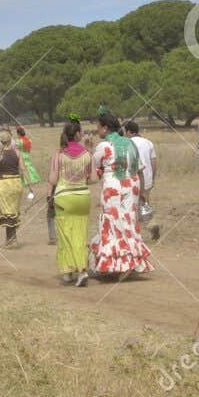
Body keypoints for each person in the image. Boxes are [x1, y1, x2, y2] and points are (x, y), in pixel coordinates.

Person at [89, 110, 154, 279]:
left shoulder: (103, 146)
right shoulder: (130, 143)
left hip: (113, 187)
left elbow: (93, 166)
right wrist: (143, 193)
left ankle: (118, 265)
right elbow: (140, 169)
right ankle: (130, 262)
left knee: (112, 224)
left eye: (98, 127)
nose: (97, 130)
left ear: (105, 128)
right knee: (129, 223)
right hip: (132, 185)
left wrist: (88, 149)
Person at [49, 121, 92, 285]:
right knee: (80, 235)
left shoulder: (59, 153)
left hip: (64, 197)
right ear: (79, 134)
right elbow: (93, 178)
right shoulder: (88, 154)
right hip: (83, 198)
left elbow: (53, 179)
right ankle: (80, 269)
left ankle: (70, 271)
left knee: (65, 235)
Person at [124, 120, 159, 240]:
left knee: (131, 205)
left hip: (133, 178)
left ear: (128, 131)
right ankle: (152, 223)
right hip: (147, 178)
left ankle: (135, 233)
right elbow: (154, 162)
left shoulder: (126, 143)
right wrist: (152, 178)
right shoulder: (148, 142)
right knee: (145, 204)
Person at [0, 134, 24, 248]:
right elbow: (23, 169)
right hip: (16, 183)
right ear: (10, 141)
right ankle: (13, 239)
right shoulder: (17, 152)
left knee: (7, 212)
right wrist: (30, 186)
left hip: (4, 183)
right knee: (14, 211)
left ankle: (10, 240)